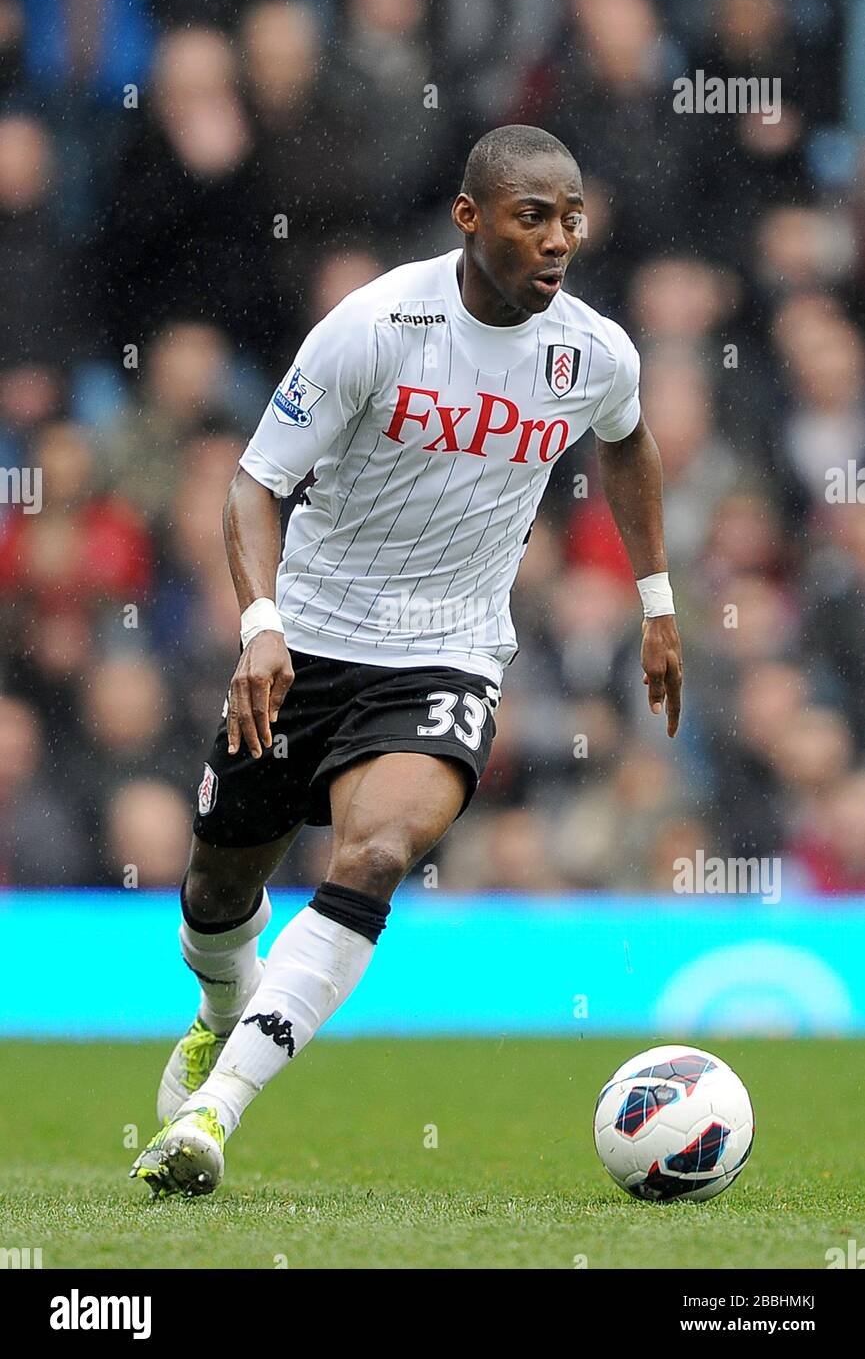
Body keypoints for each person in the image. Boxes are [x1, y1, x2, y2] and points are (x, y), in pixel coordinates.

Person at [130, 124, 683, 1197]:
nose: (559, 238)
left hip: (448, 653)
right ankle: (217, 1013)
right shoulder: (378, 324)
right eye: (533, 216)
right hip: (309, 645)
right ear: (470, 220)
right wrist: (260, 625)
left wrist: (656, 601)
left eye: (572, 217)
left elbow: (627, 437)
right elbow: (252, 483)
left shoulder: (591, 351)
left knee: (375, 853)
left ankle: (212, 1113)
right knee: (215, 891)